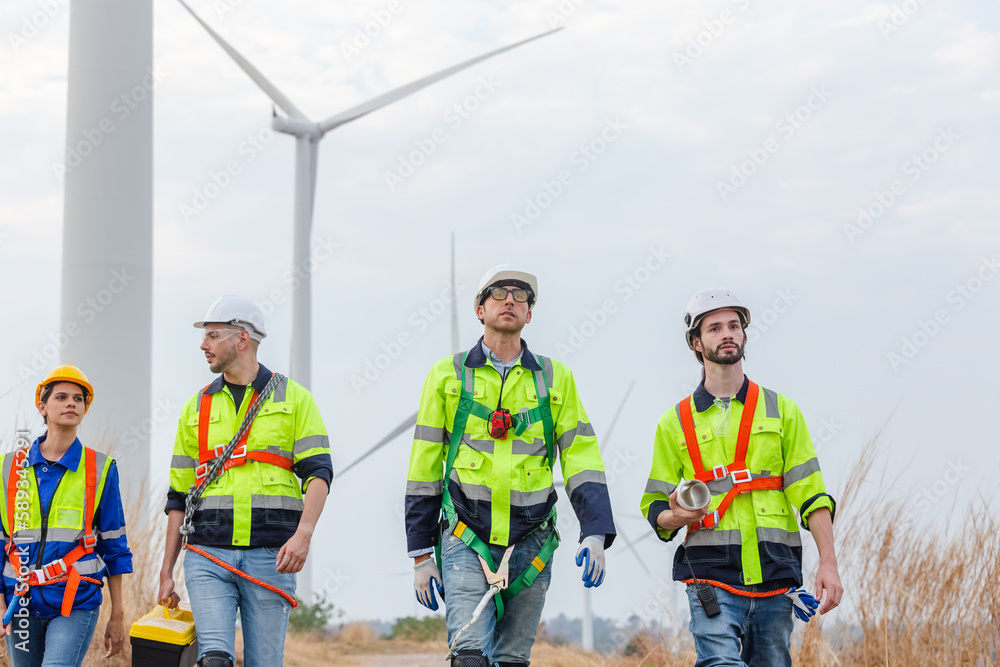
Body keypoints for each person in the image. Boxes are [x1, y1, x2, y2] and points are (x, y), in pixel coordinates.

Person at [405, 264, 616, 667]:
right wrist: (420, 555)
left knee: (513, 659)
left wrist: (596, 531)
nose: (510, 301)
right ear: (480, 310)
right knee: (469, 657)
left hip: (533, 538)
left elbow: (582, 458)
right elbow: (424, 465)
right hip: (466, 534)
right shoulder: (446, 375)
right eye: (498, 293)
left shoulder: (556, 379)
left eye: (521, 296)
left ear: (529, 315)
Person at [640, 288, 843, 666]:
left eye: (734, 325)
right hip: (711, 577)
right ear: (696, 343)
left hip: (775, 578)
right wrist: (676, 516)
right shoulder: (675, 422)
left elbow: (812, 494)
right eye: (715, 328)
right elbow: (655, 509)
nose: (728, 333)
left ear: (745, 336)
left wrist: (829, 563)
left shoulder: (783, 411)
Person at [158, 294, 333, 667]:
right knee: (214, 660)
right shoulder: (196, 407)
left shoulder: (296, 399)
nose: (203, 345)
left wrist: (303, 536)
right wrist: (166, 570)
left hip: (272, 556)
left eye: (212, 335)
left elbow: (319, 473)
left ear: (242, 338)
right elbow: (178, 497)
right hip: (207, 554)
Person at [0, 364, 133, 666]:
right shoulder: (8, 468)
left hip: (76, 600)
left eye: (78, 398)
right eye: (61, 397)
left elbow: (114, 546)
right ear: (42, 406)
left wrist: (117, 614)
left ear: (85, 408)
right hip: (19, 603)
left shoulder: (100, 468)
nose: (71, 403)